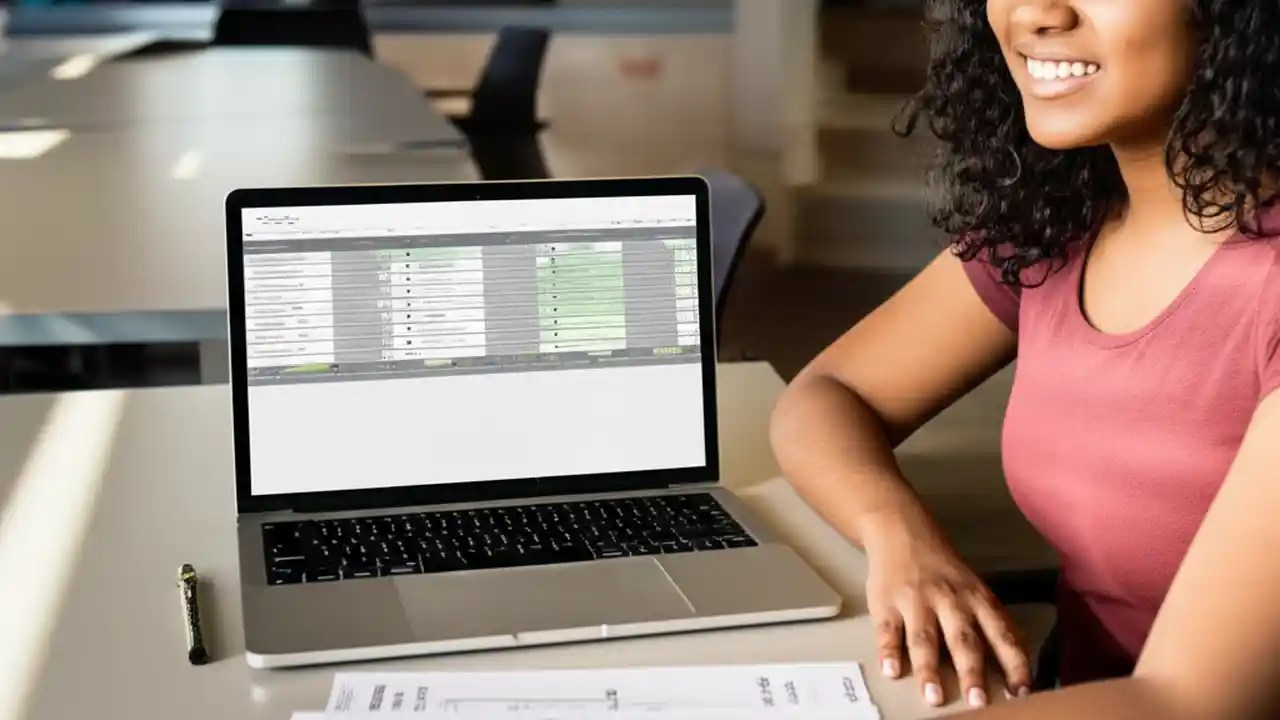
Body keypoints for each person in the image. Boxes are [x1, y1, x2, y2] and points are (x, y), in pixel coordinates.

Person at [770, 0, 1280, 716]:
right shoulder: (1055, 227)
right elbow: (830, 390)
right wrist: (901, 537)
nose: (1037, 12)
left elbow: (1185, 703)